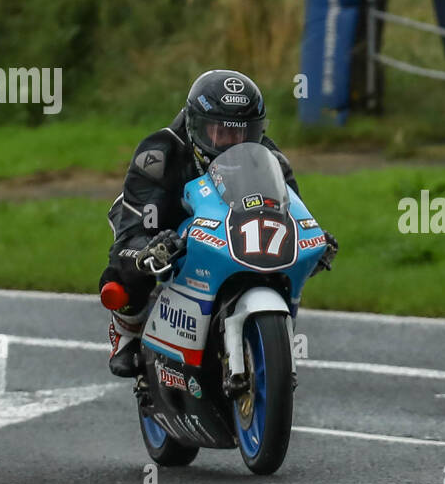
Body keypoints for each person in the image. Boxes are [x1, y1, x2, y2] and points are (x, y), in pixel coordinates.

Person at [100, 69, 336, 378]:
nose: (230, 144)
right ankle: (126, 331)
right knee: (124, 273)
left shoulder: (271, 159)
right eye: (220, 133)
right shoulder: (158, 155)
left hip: (225, 226)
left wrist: (312, 241)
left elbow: (288, 212)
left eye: (242, 135)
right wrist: (147, 246)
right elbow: (136, 226)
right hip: (162, 218)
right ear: (195, 126)